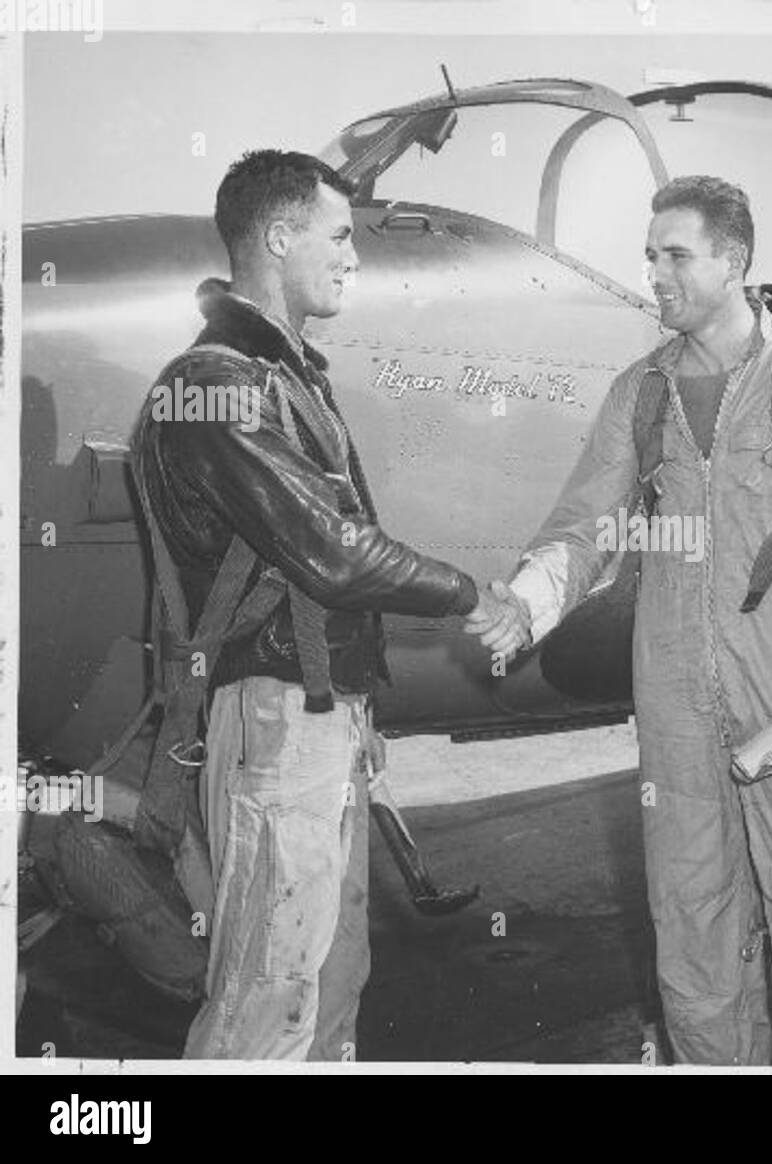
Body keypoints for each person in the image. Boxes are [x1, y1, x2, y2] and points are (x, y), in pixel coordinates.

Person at [469, 176, 772, 1065]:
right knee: (695, 943)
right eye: (650, 255)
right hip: (676, 712)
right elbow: (585, 526)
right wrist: (528, 602)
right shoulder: (643, 392)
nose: (655, 274)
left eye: (676, 255)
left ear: (733, 262)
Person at [134, 149, 507, 1060]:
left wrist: (356, 706)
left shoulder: (285, 375)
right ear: (277, 235)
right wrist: (469, 594)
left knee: (330, 985)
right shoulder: (218, 385)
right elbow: (334, 555)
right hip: (275, 728)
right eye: (338, 236)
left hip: (317, 721)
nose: (352, 257)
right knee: (267, 1007)